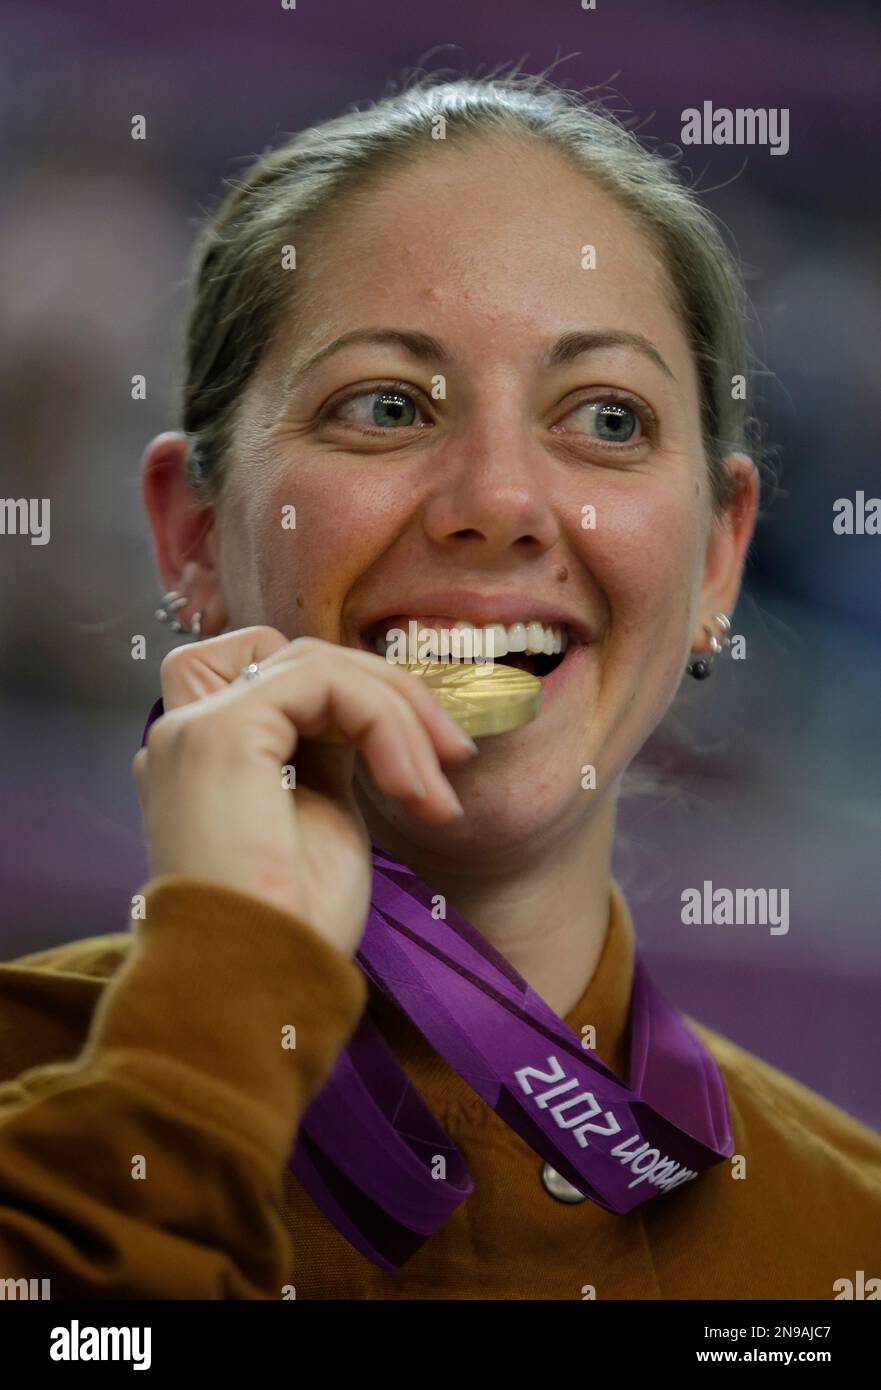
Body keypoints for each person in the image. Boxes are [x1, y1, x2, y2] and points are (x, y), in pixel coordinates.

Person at [1, 70, 879, 1301]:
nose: (499, 506)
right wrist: (213, 1016)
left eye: (607, 419)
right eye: (383, 405)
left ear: (717, 562)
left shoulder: (851, 1243)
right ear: (192, 535)